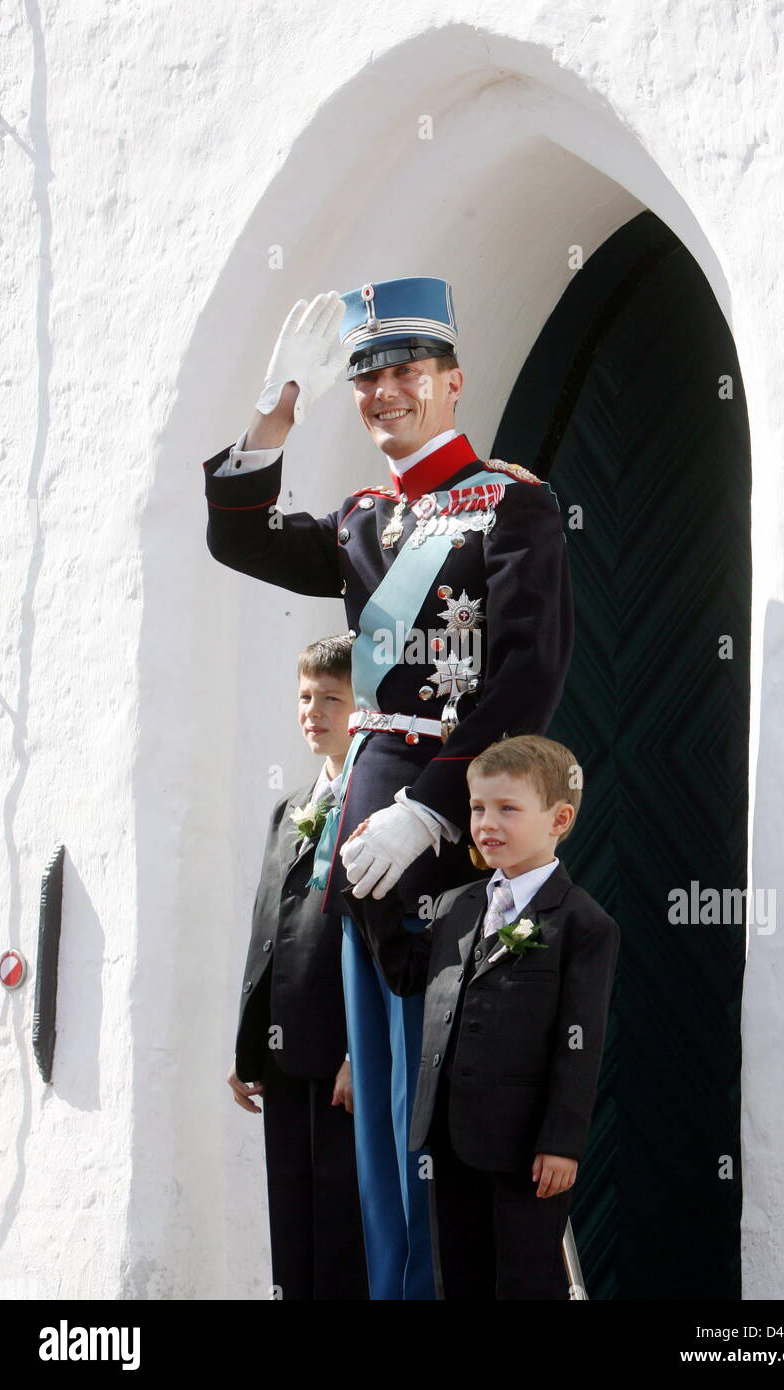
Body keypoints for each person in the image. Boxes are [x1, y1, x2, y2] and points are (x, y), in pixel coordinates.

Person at [202, 277, 574, 1299]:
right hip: (358, 848)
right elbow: (238, 535)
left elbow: (526, 676)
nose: (383, 392)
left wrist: (429, 808)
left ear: (452, 383)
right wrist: (277, 415)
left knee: (436, 1114)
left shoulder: (513, 503)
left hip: (446, 844)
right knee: (373, 1133)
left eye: (406, 371)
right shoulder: (365, 520)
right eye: (367, 377)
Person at [343, 735, 620, 1300]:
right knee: (461, 1275)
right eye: (476, 808)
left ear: (559, 819)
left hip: (526, 1148)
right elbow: (406, 975)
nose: (487, 822)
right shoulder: (457, 906)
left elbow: (580, 1043)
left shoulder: (583, 924)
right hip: (450, 1135)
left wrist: (562, 1142)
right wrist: (368, 890)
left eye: (508, 809)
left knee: (524, 1279)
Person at [226, 634, 368, 1301]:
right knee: (292, 1212)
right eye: (305, 697)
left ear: (361, 708)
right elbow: (270, 933)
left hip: (344, 1058)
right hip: (285, 1052)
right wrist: (251, 1043)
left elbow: (374, 938)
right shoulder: (289, 810)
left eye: (330, 699)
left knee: (344, 1225)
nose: (313, 711)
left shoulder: (378, 809)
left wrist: (360, 1055)